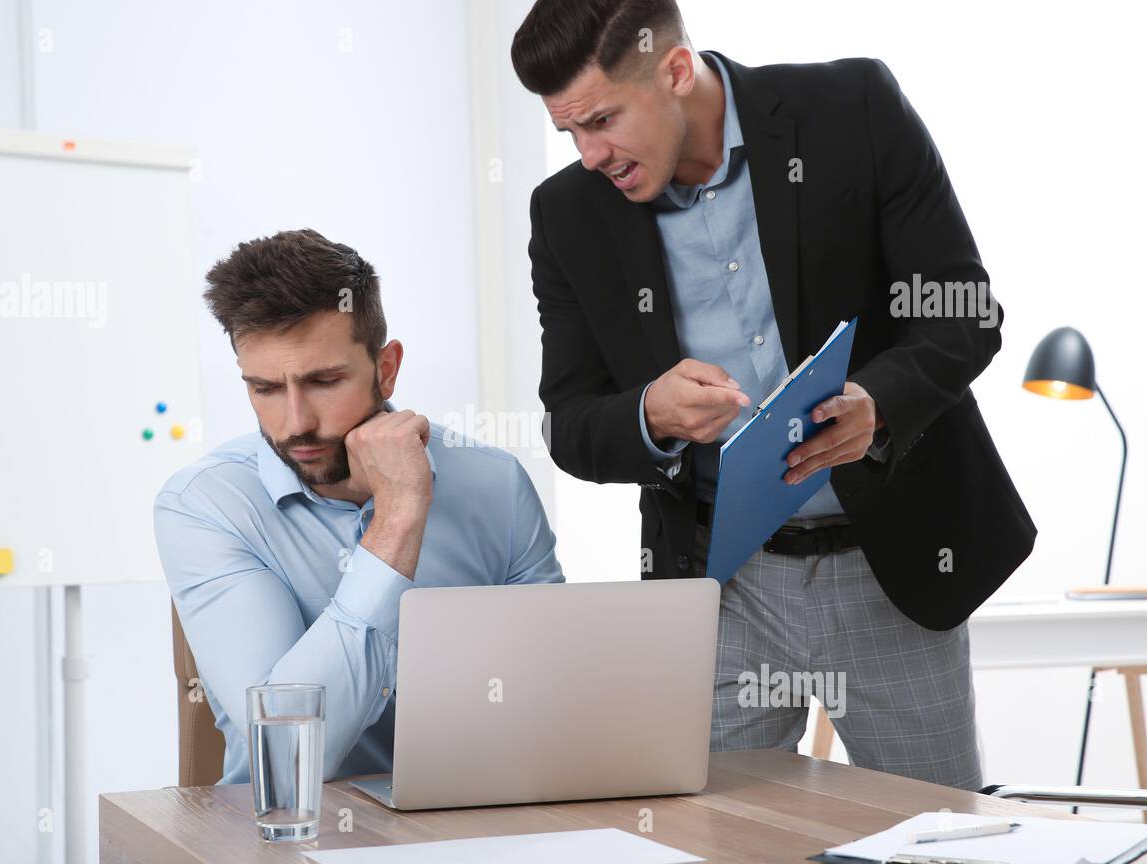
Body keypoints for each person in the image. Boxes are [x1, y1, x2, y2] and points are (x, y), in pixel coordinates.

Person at [511, 0, 1036, 789]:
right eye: (569, 133)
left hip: (891, 567)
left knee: (936, 836)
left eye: (602, 121)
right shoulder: (565, 215)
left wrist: (877, 404)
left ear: (675, 71)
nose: (590, 156)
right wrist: (649, 413)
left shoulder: (854, 109)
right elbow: (570, 424)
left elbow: (964, 313)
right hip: (723, 588)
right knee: (712, 838)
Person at [154, 228, 563, 784]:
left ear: (385, 369)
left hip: (477, 812)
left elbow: (554, 699)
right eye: (265, 389)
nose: (296, 423)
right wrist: (398, 516)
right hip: (298, 826)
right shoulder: (206, 507)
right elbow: (287, 755)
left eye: (324, 381)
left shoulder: (496, 484)